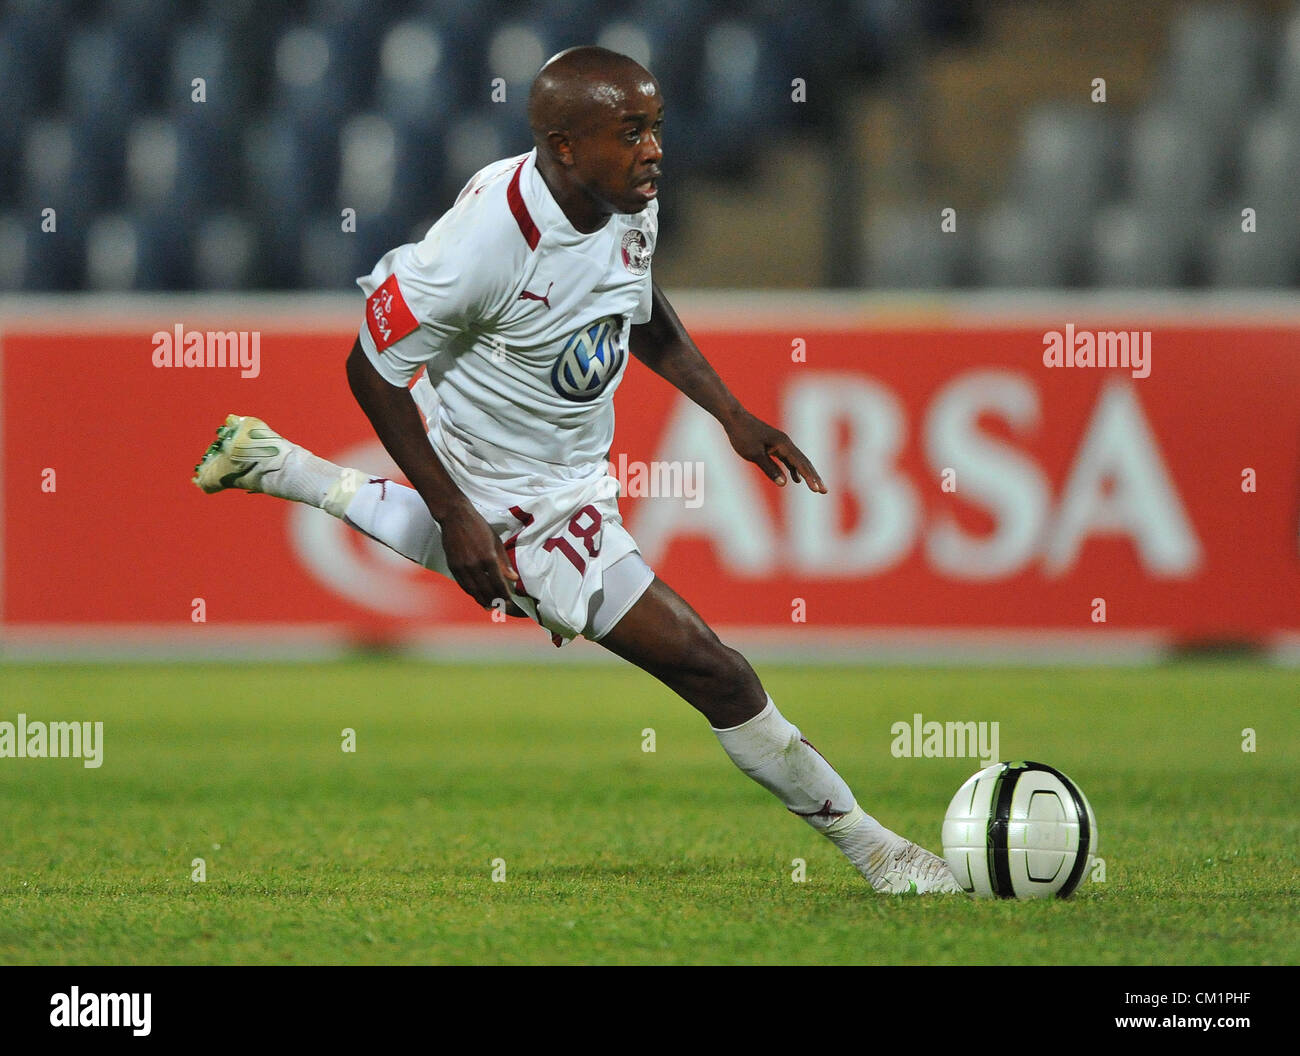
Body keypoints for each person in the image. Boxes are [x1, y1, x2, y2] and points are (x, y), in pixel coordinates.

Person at [194, 46, 960, 894]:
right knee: (716, 670)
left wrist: (733, 414)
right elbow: (368, 369)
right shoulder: (485, 244)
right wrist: (456, 512)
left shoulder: (630, 202)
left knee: (679, 653)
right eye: (631, 133)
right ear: (564, 146)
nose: (655, 149)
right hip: (510, 495)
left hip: (575, 474)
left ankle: (279, 465)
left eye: (658, 127)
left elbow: (638, 308)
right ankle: (880, 854)